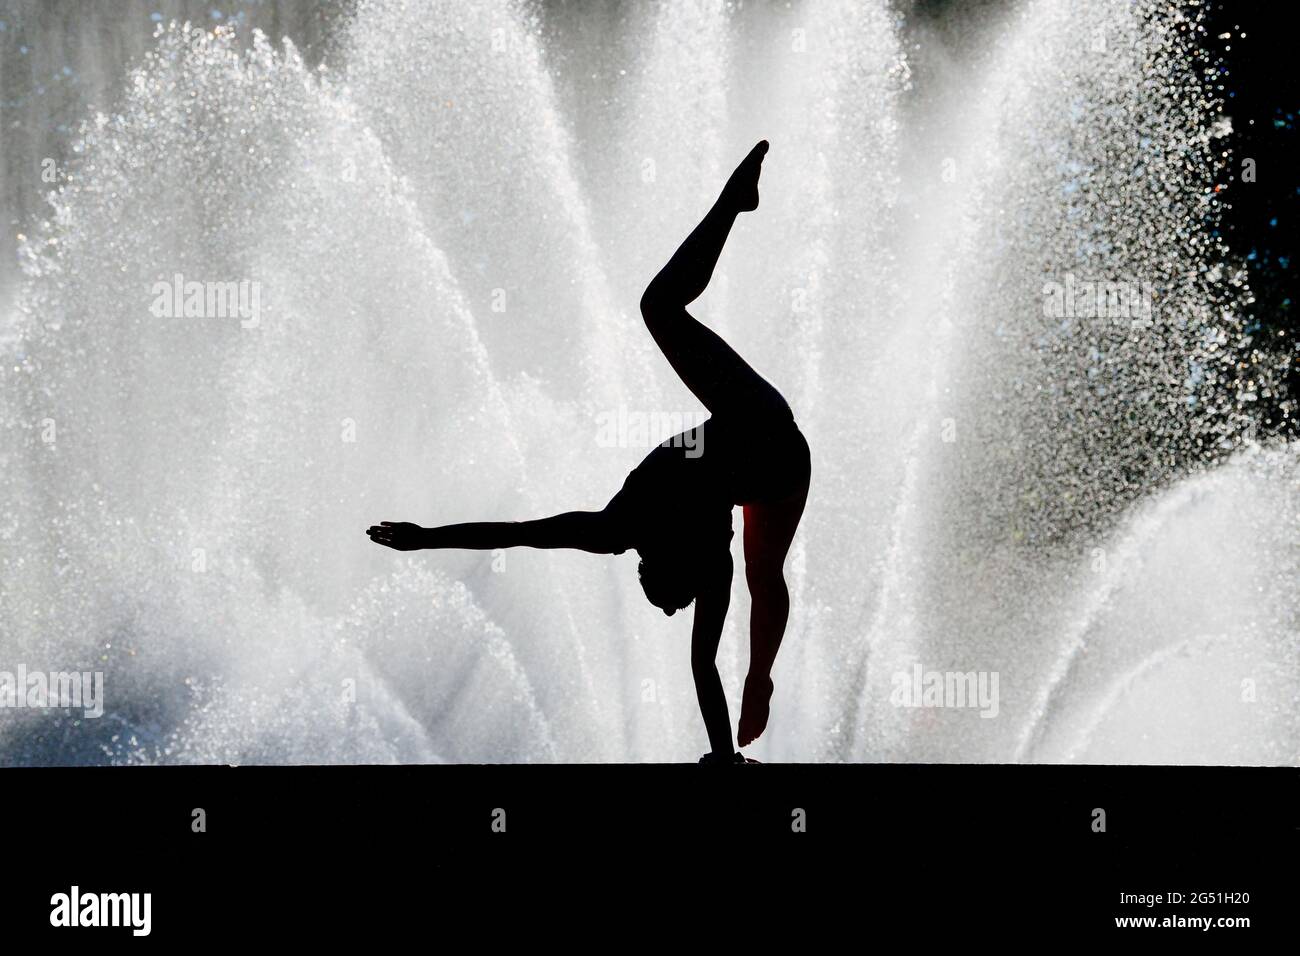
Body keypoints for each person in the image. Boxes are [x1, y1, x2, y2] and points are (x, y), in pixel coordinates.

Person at [367, 141, 810, 764]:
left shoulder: (624, 530)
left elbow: (518, 533)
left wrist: (427, 537)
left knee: (765, 574)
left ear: (664, 560)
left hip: (772, 450)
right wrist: (723, 758)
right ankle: (760, 678)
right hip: (764, 440)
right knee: (658, 310)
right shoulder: (660, 544)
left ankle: (734, 202)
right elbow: (701, 665)